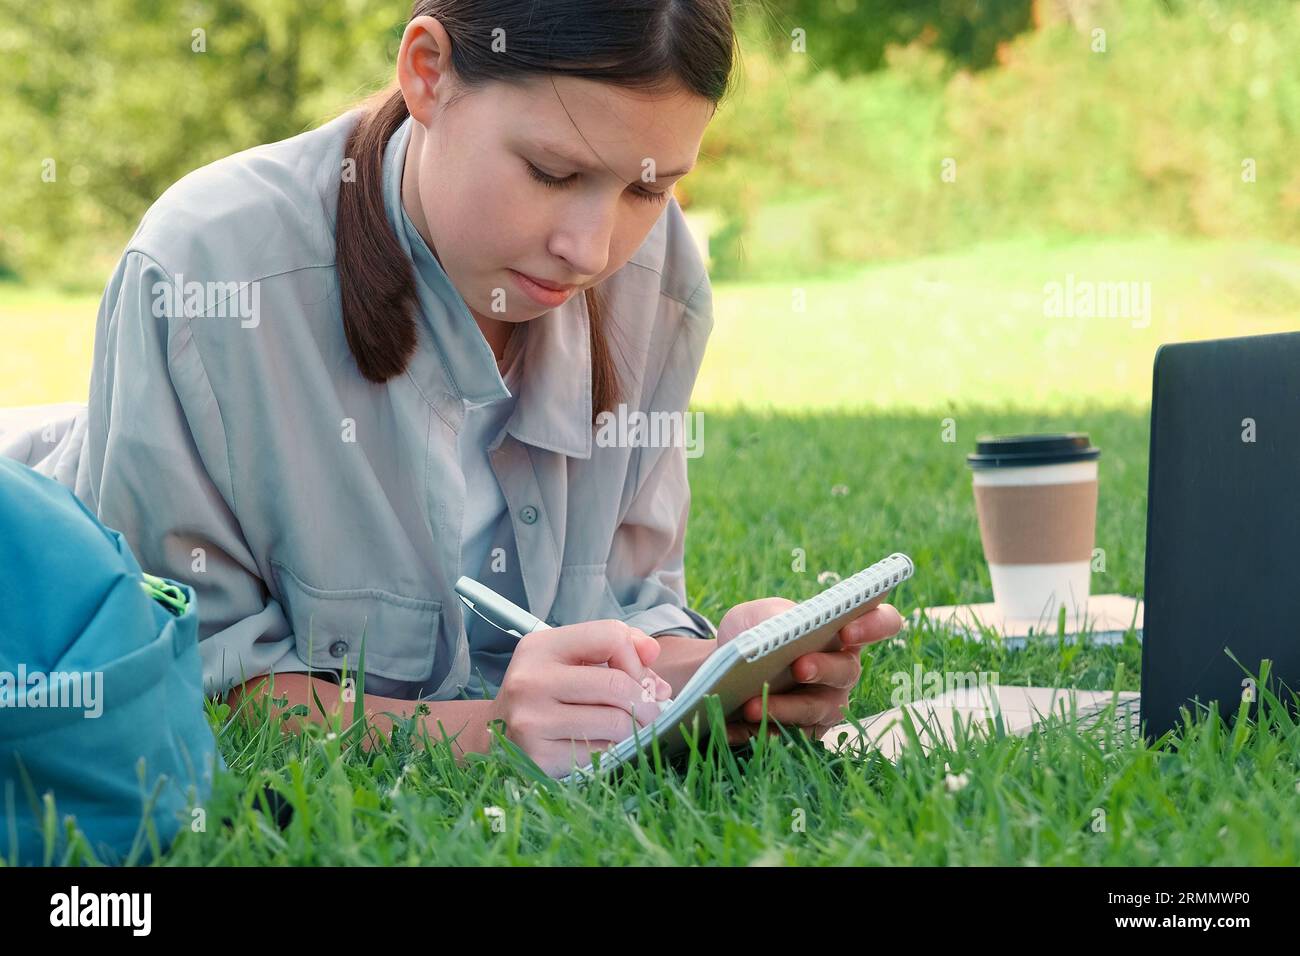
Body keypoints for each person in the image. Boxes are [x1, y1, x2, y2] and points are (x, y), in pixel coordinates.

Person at [77, 0, 904, 778]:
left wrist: (719, 670)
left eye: (649, 189)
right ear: (428, 71)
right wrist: (488, 734)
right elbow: (185, 688)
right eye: (551, 171)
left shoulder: (661, 279)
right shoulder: (204, 274)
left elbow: (628, 609)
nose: (590, 248)